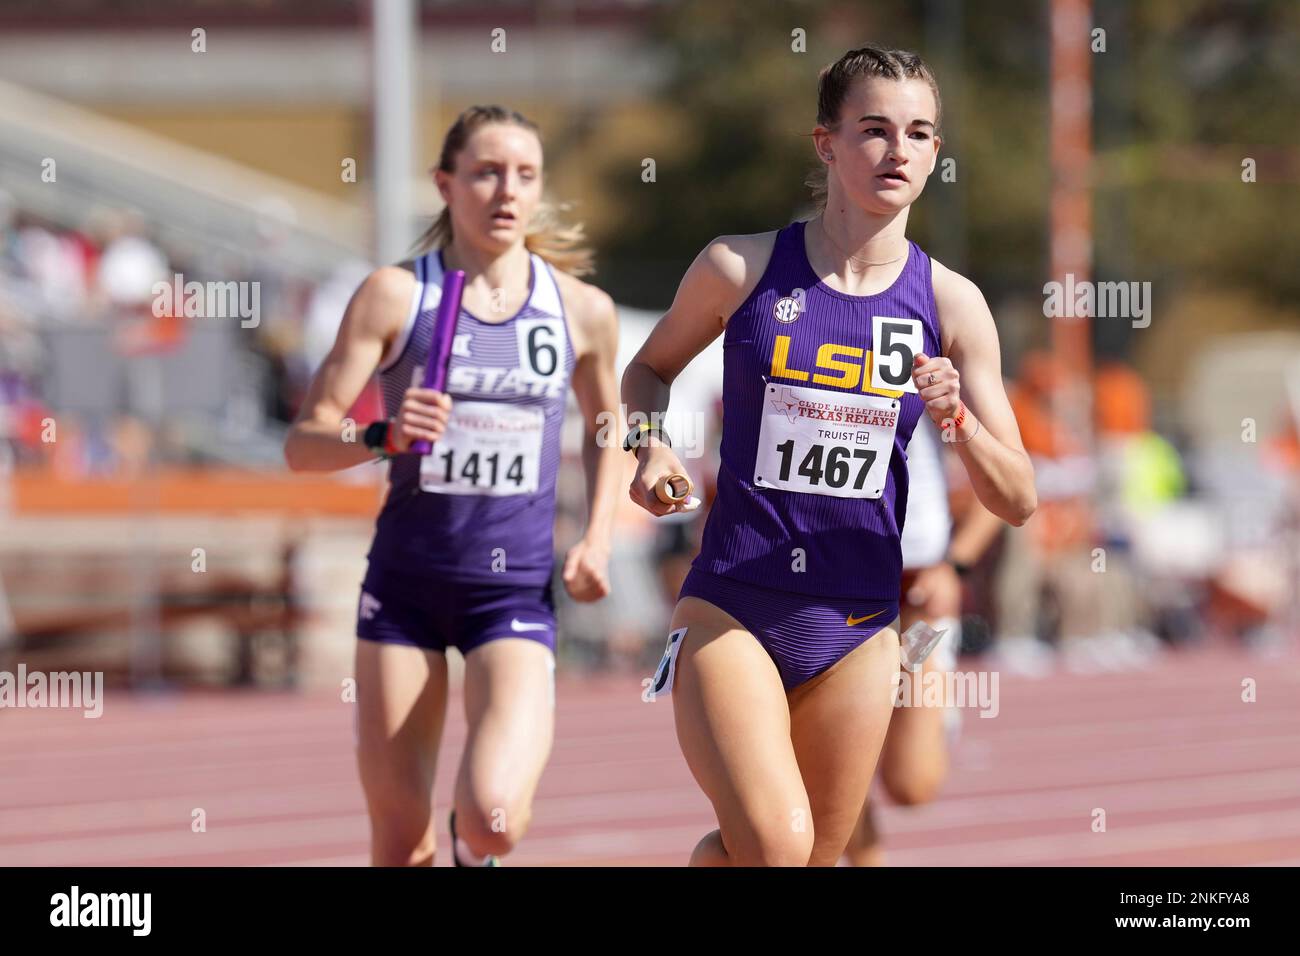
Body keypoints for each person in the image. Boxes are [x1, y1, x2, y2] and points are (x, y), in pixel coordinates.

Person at [621, 45, 1036, 866]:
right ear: (826, 144)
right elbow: (646, 370)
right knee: (776, 845)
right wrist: (646, 447)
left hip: (858, 627)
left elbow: (1019, 496)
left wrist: (958, 422)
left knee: (801, 860)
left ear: (934, 157)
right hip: (734, 606)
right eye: (874, 130)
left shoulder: (953, 304)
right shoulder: (738, 267)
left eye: (918, 134)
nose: (897, 150)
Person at [285, 105, 622, 866]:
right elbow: (304, 446)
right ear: (445, 184)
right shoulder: (396, 296)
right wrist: (382, 436)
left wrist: (597, 537)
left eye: (525, 175)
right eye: (485, 173)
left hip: (513, 592)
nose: (506, 192)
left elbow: (613, 433)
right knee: (401, 844)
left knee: (494, 818)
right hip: (404, 591)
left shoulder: (581, 311)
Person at [843, 414, 1004, 865]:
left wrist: (955, 566)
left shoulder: (932, 374)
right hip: (836, 595)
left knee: (912, 783)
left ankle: (934, 701)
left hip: (919, 604)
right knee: (836, 762)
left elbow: (1004, 485)